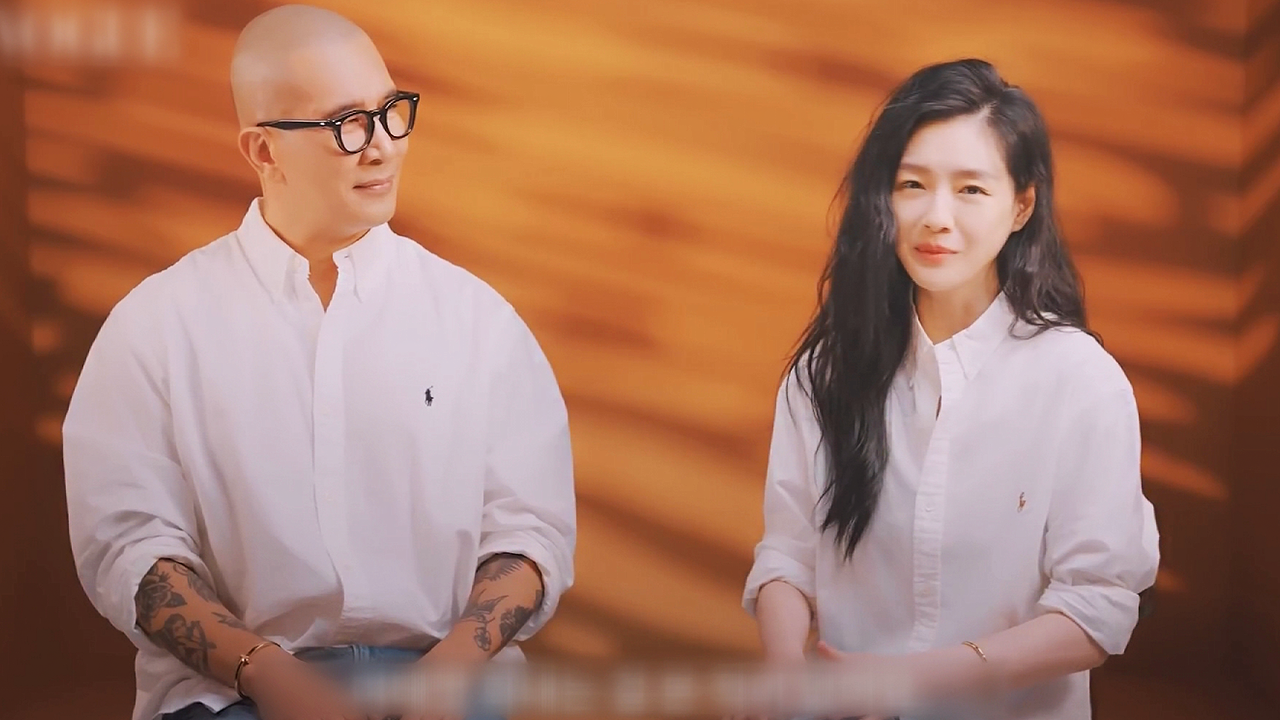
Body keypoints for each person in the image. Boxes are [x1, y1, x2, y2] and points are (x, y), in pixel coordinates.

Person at [62, 5, 576, 720]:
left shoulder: (478, 321)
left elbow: (530, 534)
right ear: (263, 150)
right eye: (347, 124)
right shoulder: (155, 325)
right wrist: (271, 677)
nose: (383, 146)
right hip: (233, 695)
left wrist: (447, 673)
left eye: (391, 112)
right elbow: (130, 549)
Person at [739, 58, 1160, 720]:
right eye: (913, 184)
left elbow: (1096, 607)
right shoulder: (826, 373)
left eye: (971, 189)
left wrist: (909, 679)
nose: (937, 217)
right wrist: (786, 682)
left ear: (1021, 205)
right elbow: (788, 558)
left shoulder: (1080, 381)